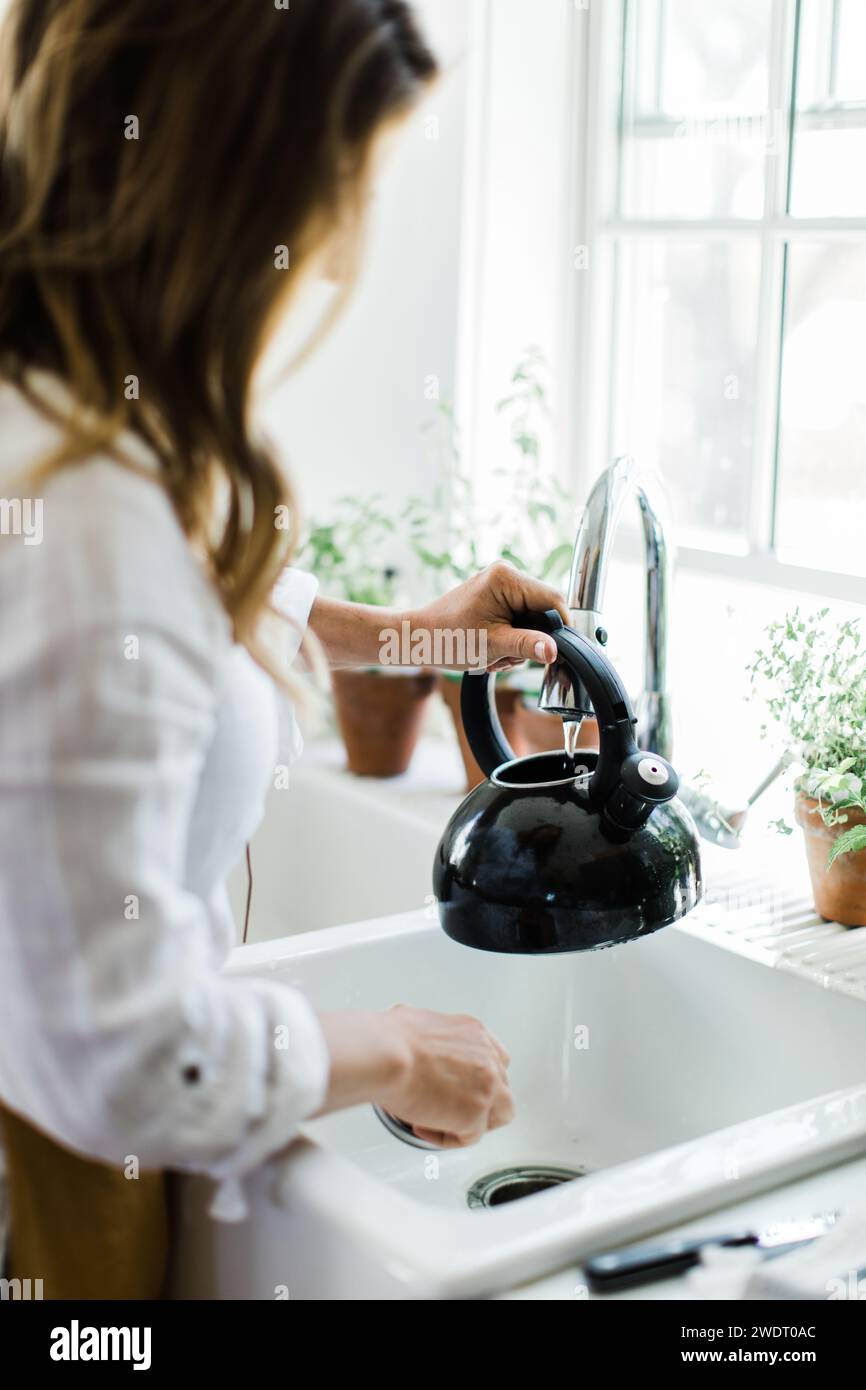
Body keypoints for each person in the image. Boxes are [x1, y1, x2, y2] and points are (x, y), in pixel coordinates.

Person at [0, 0, 567, 1298]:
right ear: (238, 188)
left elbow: (171, 594)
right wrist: (386, 1048)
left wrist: (404, 633)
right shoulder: (88, 520)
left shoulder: (60, 414)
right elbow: (124, 1059)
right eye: (335, 200)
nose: (330, 255)